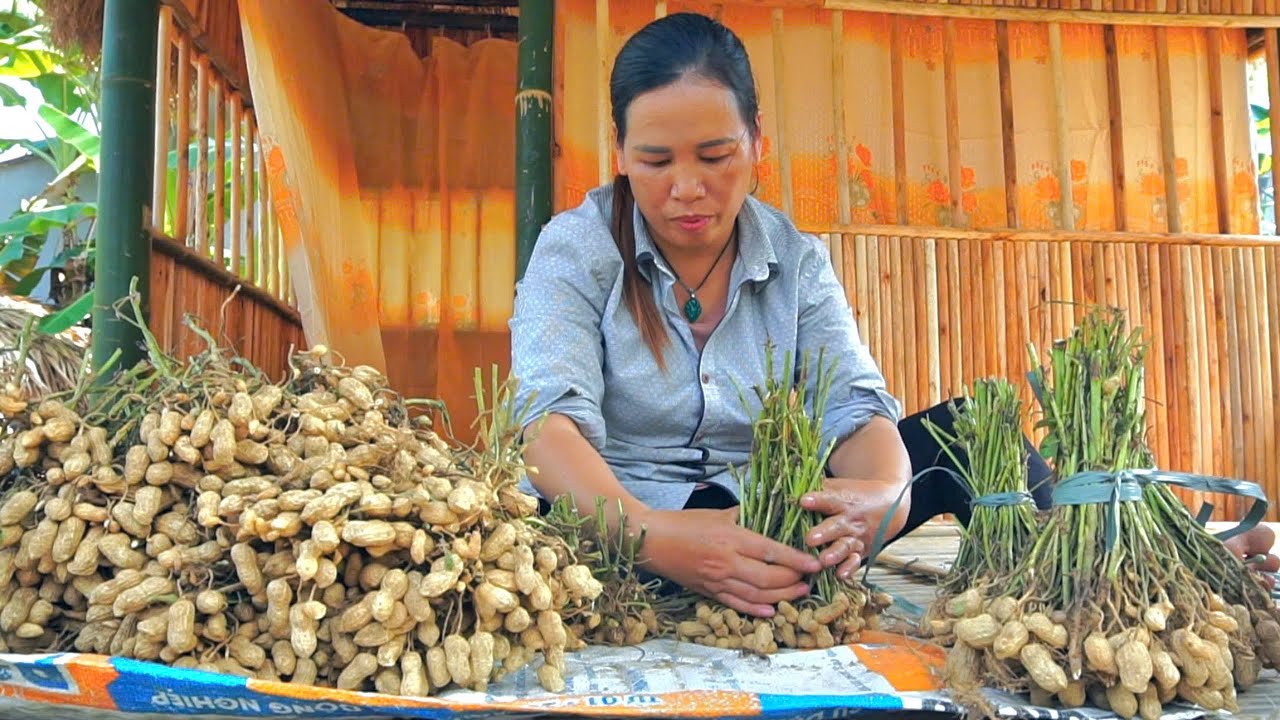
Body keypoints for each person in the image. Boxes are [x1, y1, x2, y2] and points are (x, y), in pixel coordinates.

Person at [509, 12, 1278, 619]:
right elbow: (547, 425)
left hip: (778, 521)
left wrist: (883, 493)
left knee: (972, 428)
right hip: (618, 537)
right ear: (619, 152)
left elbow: (853, 403)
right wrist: (658, 536)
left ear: (756, 143)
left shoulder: (794, 258)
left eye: (715, 157)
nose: (687, 188)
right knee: (535, 494)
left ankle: (1126, 568)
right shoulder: (575, 251)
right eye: (655, 161)